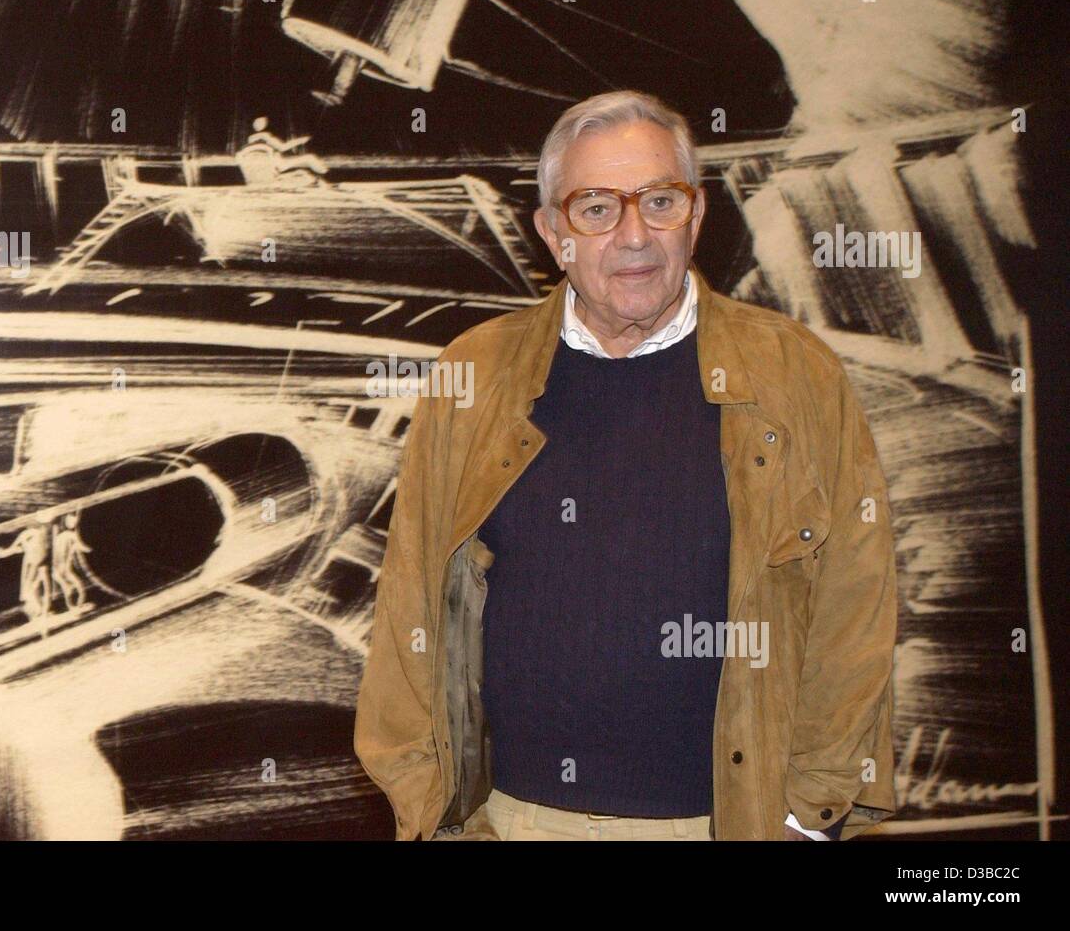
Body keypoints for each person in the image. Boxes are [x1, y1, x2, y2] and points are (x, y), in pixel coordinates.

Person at [354, 90, 899, 841]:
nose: (636, 235)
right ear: (553, 231)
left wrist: (808, 817)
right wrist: (429, 809)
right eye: (597, 209)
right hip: (513, 823)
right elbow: (408, 605)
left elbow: (856, 606)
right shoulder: (474, 375)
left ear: (696, 214)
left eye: (660, 201)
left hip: (725, 824)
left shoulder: (795, 374)